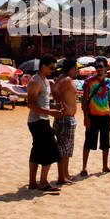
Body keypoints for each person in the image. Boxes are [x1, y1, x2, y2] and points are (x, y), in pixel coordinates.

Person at [26, 54, 63, 191]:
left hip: (42, 120)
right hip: (37, 121)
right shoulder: (35, 81)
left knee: (36, 151)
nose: (53, 70)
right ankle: (43, 182)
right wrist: (51, 112)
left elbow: (44, 104)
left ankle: (33, 182)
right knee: (51, 150)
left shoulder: (46, 81)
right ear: (43, 66)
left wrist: (54, 108)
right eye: (51, 67)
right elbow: (31, 104)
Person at [80, 56, 110, 175]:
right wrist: (85, 117)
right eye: (96, 67)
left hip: (105, 116)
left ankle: (105, 166)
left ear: (106, 68)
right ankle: (84, 167)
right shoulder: (89, 81)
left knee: (105, 143)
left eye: (101, 67)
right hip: (92, 116)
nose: (98, 69)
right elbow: (84, 100)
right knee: (88, 142)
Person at [51, 58, 79, 184]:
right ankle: (62, 177)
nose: (77, 71)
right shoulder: (66, 79)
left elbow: (55, 91)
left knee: (67, 148)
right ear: (71, 68)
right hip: (65, 118)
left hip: (66, 117)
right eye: (75, 68)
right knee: (63, 148)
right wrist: (61, 104)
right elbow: (55, 92)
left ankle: (65, 174)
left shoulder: (63, 78)